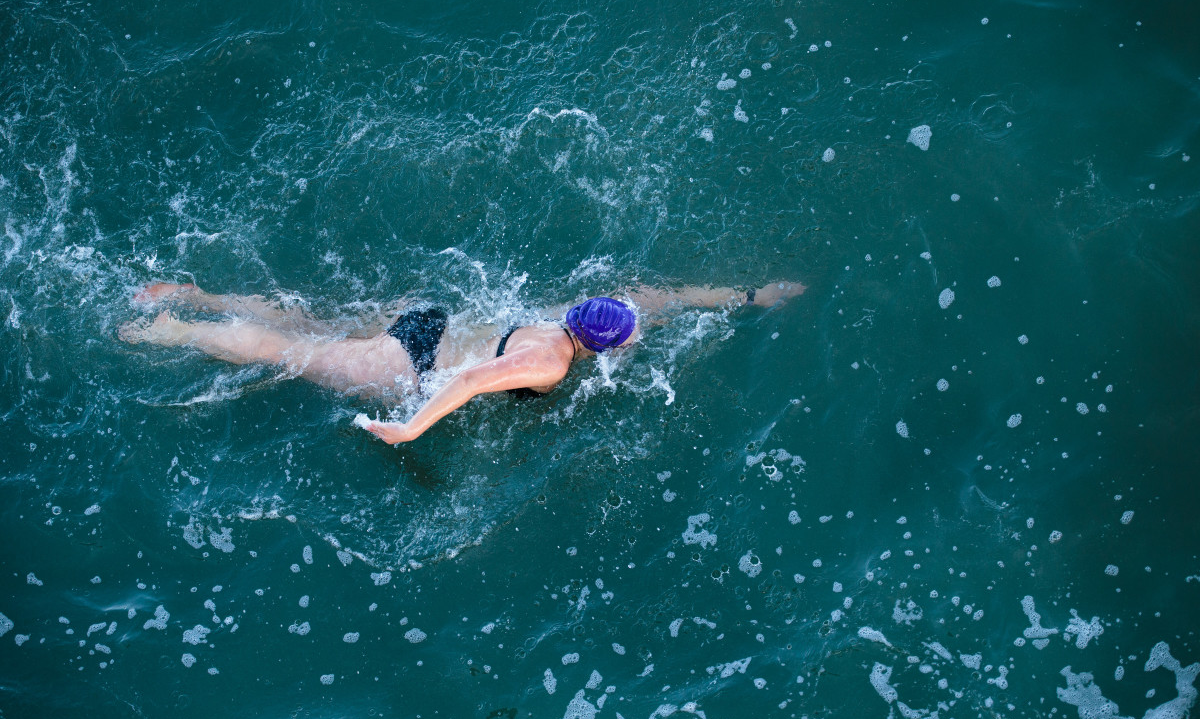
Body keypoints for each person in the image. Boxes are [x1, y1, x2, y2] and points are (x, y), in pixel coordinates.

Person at [120, 279, 805, 444]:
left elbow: (671, 298)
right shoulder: (550, 365)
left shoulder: (579, 312)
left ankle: (195, 292)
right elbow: (477, 380)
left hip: (431, 320)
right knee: (291, 352)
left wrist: (750, 296)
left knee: (314, 323)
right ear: (603, 345)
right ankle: (172, 328)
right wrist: (413, 428)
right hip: (410, 364)